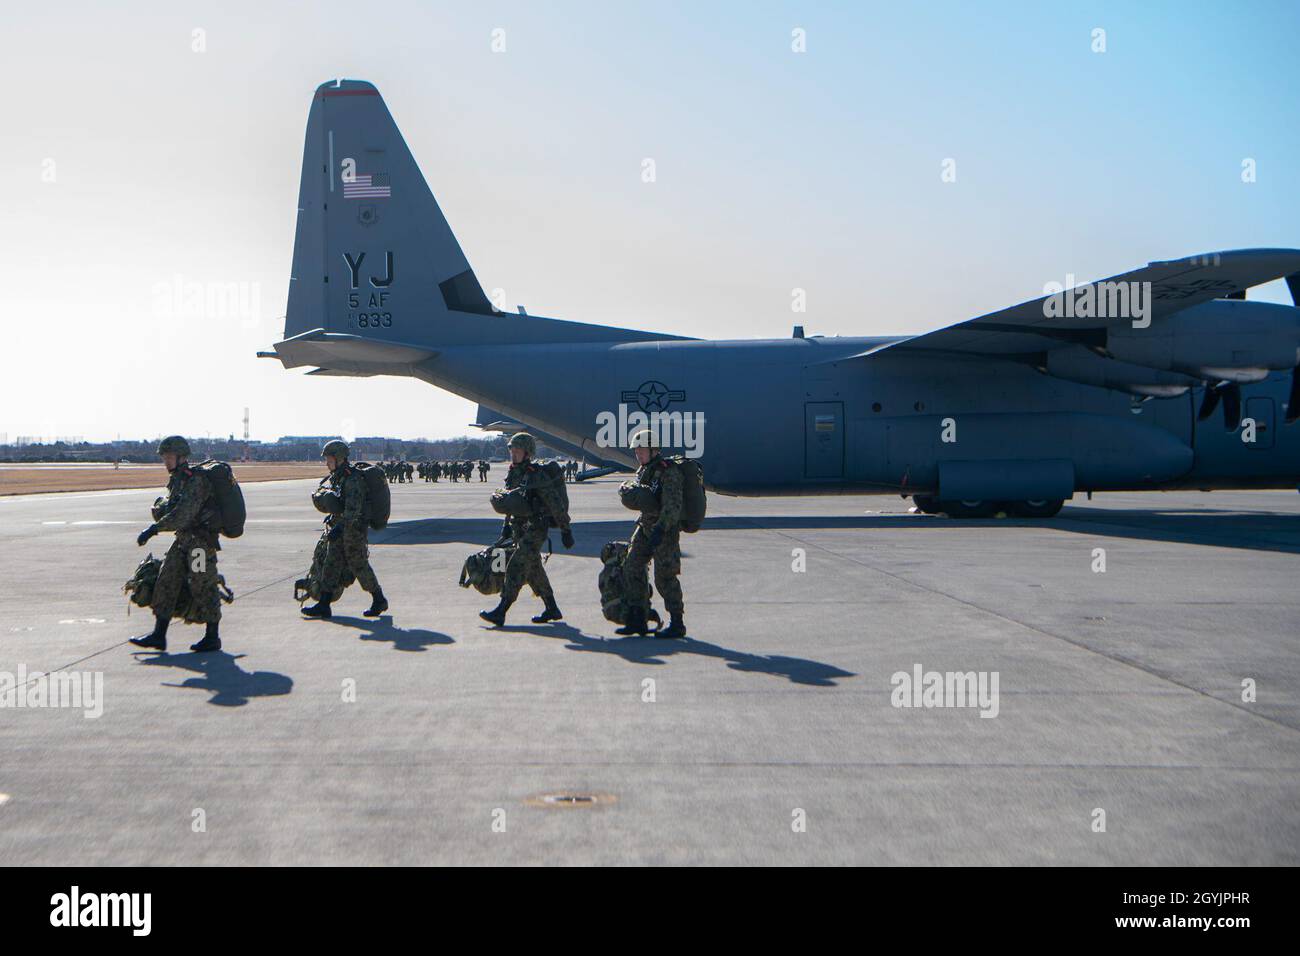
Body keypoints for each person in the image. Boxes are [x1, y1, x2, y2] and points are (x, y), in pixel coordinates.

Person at [129, 435, 224, 653]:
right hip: (183, 541)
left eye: (168, 457)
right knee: (166, 581)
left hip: (200, 544)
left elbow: (183, 514)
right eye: (164, 457)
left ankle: (212, 637)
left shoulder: (196, 481)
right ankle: (158, 636)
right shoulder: (178, 480)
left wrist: (154, 529)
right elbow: (173, 509)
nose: (165, 462)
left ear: (181, 457)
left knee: (203, 584)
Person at [479, 433, 574, 626]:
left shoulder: (535, 475)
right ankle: (552, 608)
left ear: (527, 452)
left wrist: (566, 529)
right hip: (519, 528)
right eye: (512, 451)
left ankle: (501, 610)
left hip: (536, 528)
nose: (514, 455)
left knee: (516, 565)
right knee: (533, 570)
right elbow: (509, 502)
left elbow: (555, 503)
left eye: (518, 451)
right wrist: (505, 526)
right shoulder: (513, 472)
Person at [301, 440, 389, 620]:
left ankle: (379, 599)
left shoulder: (353, 479)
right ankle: (324, 605)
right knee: (330, 563)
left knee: (359, 565)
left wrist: (340, 526)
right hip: (341, 528)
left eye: (329, 459)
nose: (327, 463)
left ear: (339, 458)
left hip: (353, 531)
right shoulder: (339, 476)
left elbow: (353, 510)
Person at [617, 429, 686, 639]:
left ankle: (677, 622)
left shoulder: (668, 472)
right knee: (631, 567)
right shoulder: (644, 470)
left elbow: (672, 506)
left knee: (664, 577)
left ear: (653, 449)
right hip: (645, 527)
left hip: (664, 531)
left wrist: (661, 529)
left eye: (641, 449)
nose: (638, 453)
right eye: (636, 450)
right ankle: (638, 618)